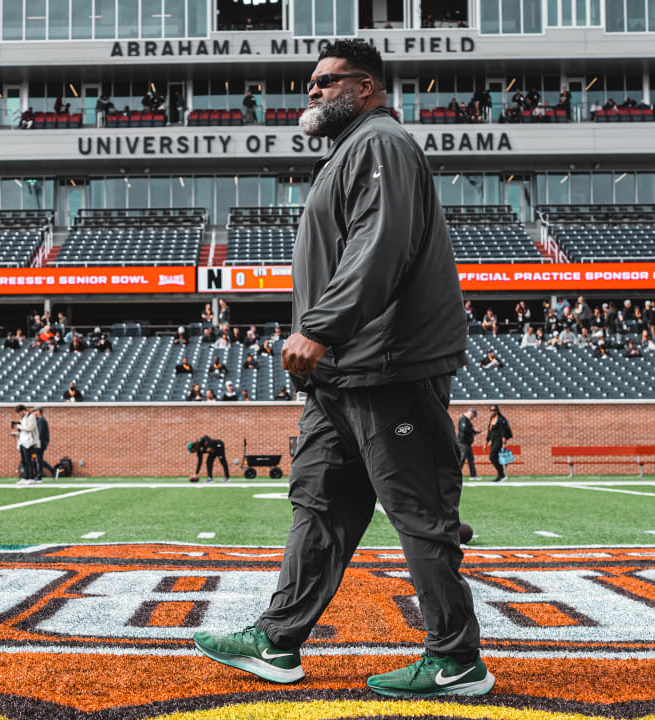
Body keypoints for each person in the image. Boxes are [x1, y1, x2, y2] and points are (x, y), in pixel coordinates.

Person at [194, 39, 490, 699]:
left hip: (386, 368)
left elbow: (378, 245)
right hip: (343, 378)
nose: (313, 92)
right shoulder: (351, 152)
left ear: (370, 87)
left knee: (418, 512)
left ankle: (455, 657)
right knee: (319, 505)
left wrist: (321, 329)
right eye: (311, 84)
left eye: (328, 81)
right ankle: (277, 640)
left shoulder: (380, 143)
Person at [11, 405, 41, 485]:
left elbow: (30, 428)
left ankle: (31, 477)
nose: (19, 414)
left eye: (20, 412)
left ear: (23, 410)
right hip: (22, 442)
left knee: (28, 460)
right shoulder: (23, 419)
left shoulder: (31, 417)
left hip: (29, 442)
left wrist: (19, 426)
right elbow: (22, 432)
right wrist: (16, 434)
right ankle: (25, 477)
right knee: (24, 461)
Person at [486, 405, 512, 483]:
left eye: (494, 410)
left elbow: (502, 432)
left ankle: (501, 474)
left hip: (499, 440)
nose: (492, 412)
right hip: (493, 441)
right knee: (494, 458)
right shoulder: (492, 419)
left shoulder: (500, 419)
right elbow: (489, 432)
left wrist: (504, 442)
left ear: (497, 411)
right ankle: (501, 475)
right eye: (491, 410)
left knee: (492, 456)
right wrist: (486, 443)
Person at [456, 408, 480, 482]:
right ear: (471, 413)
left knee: (470, 459)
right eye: (473, 416)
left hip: (467, 443)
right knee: (462, 459)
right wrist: (473, 431)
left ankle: (473, 475)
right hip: (463, 443)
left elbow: (467, 429)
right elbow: (464, 429)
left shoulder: (466, 420)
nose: (473, 418)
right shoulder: (463, 419)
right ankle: (456, 475)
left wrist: (473, 431)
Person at [34, 407, 55, 480]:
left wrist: (36, 442)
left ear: (39, 412)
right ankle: (52, 471)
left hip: (41, 442)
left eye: (35, 411)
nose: (34, 413)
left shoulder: (41, 420)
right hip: (41, 442)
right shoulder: (39, 420)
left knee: (38, 459)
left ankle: (40, 475)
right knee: (39, 459)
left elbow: (40, 433)